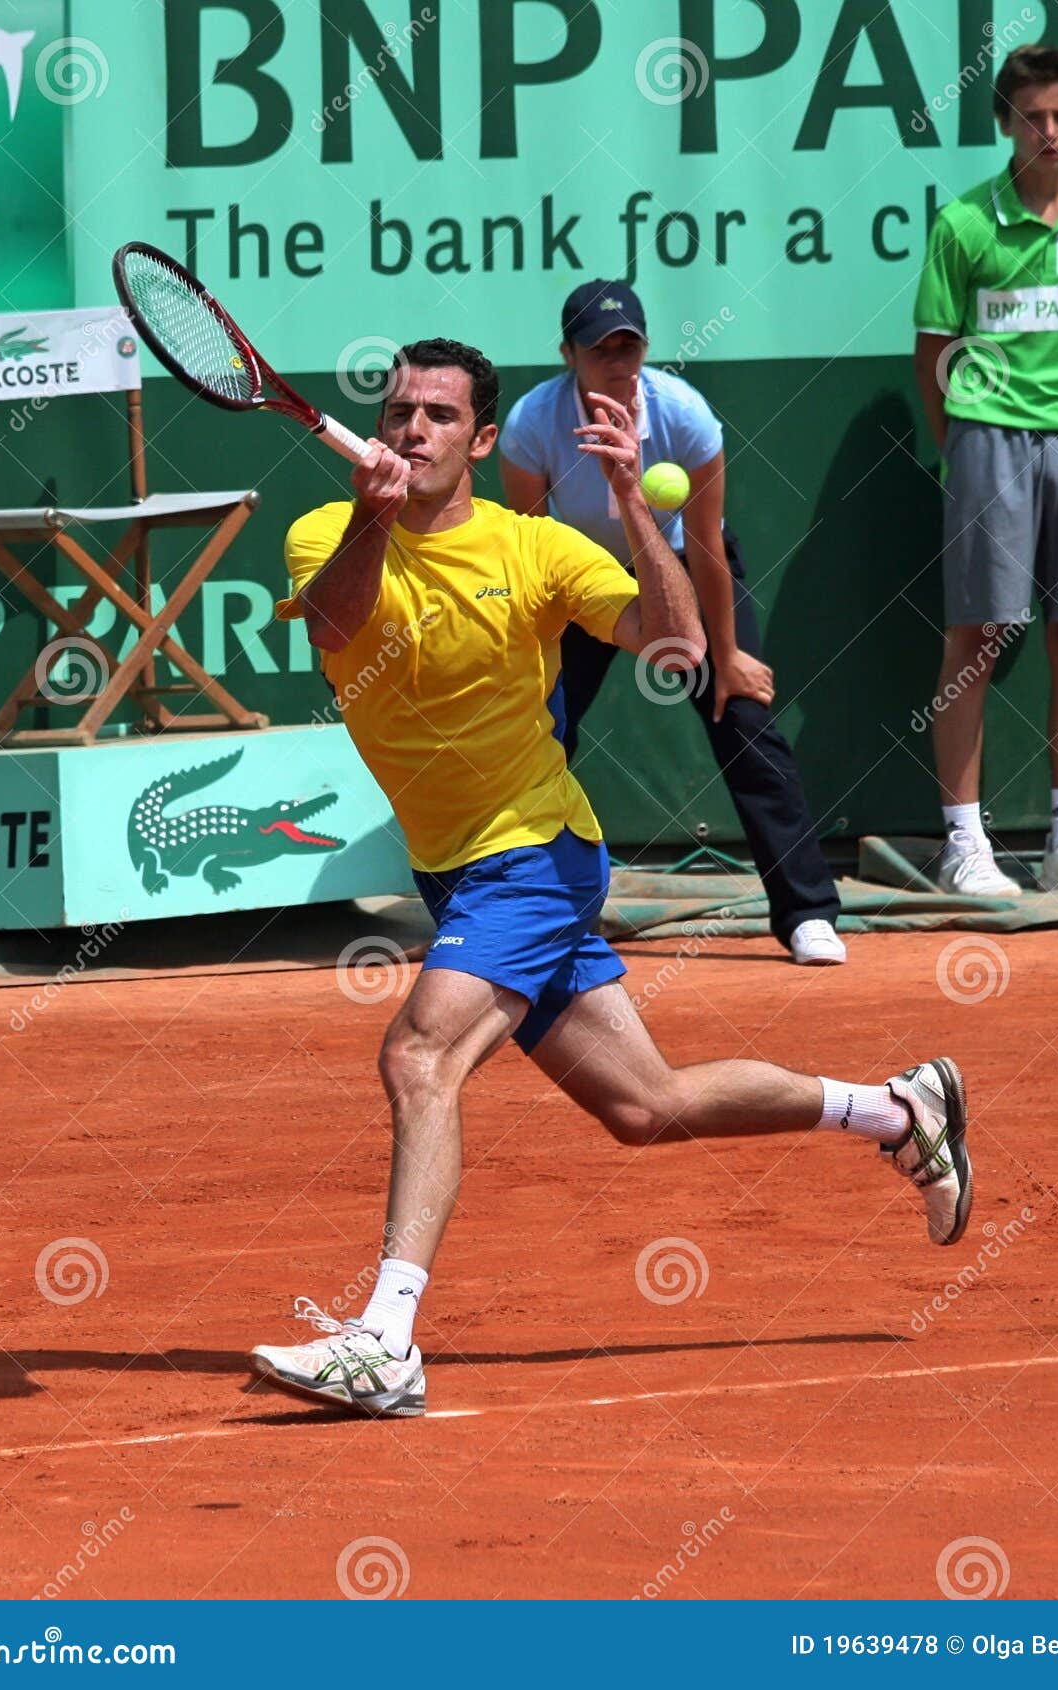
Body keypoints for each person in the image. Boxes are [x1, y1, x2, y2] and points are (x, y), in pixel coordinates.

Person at [251, 337, 973, 1419]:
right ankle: (895, 1110)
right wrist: (370, 513)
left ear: (483, 440)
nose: (411, 429)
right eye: (399, 410)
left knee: (418, 1056)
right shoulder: (324, 530)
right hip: (452, 867)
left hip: (533, 852)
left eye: (439, 416)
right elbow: (343, 624)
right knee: (646, 1105)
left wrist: (638, 499)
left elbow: (677, 643)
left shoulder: (535, 549)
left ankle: (386, 1338)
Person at [498, 281, 845, 966]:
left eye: (629, 346)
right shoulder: (531, 424)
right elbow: (531, 549)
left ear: (646, 347)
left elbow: (711, 545)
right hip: (578, 576)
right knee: (538, 729)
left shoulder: (685, 415)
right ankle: (518, 910)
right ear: (568, 354)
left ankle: (807, 913)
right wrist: (538, 674)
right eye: (600, 349)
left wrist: (729, 654)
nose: (617, 361)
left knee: (744, 717)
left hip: (683, 564)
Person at [914, 44, 1058, 896]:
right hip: (989, 440)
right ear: (1005, 124)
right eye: (1030, 117)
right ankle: (963, 843)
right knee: (977, 639)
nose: (1048, 132)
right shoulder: (964, 225)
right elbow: (934, 357)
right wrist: (975, 442)